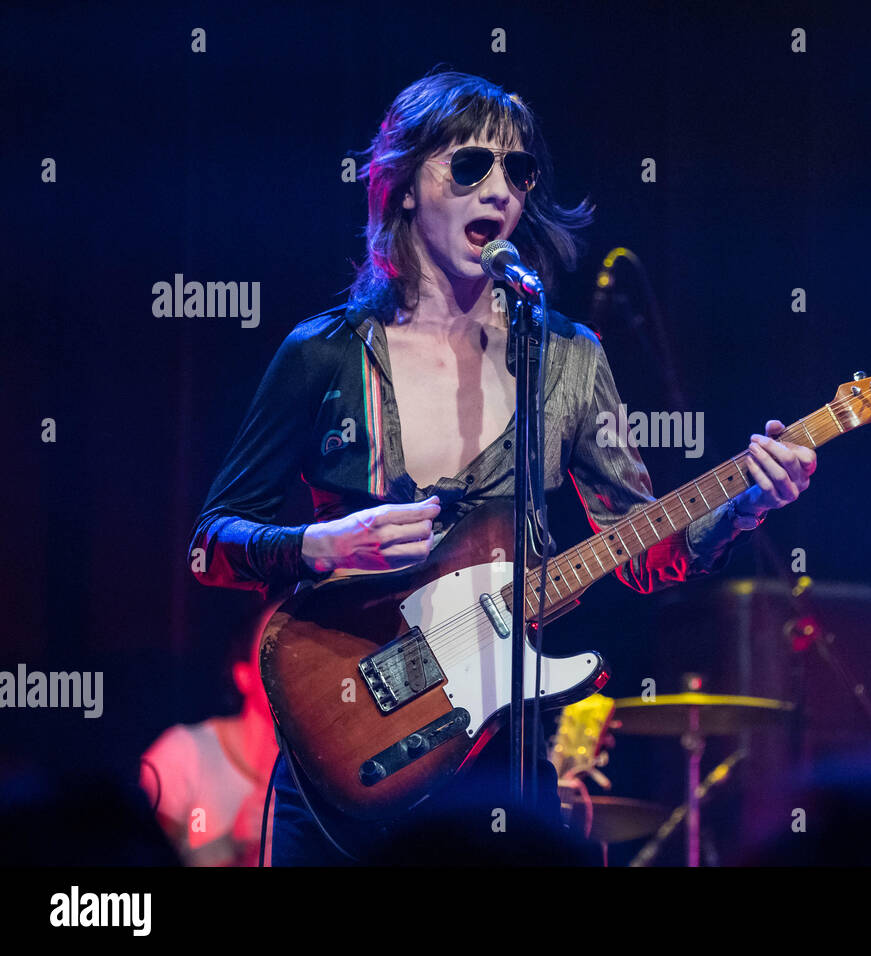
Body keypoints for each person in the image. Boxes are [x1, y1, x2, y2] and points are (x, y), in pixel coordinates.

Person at [187, 67, 816, 865]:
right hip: (343, 766)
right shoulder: (323, 354)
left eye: (518, 172)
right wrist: (325, 546)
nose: (499, 191)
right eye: (469, 165)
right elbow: (210, 544)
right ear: (406, 184)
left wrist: (745, 507)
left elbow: (643, 550)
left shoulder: (567, 360)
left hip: (502, 775)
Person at [139, 599, 280, 866]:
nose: (292, 663)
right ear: (244, 675)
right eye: (274, 647)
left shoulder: (329, 768)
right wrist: (231, 844)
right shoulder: (183, 753)